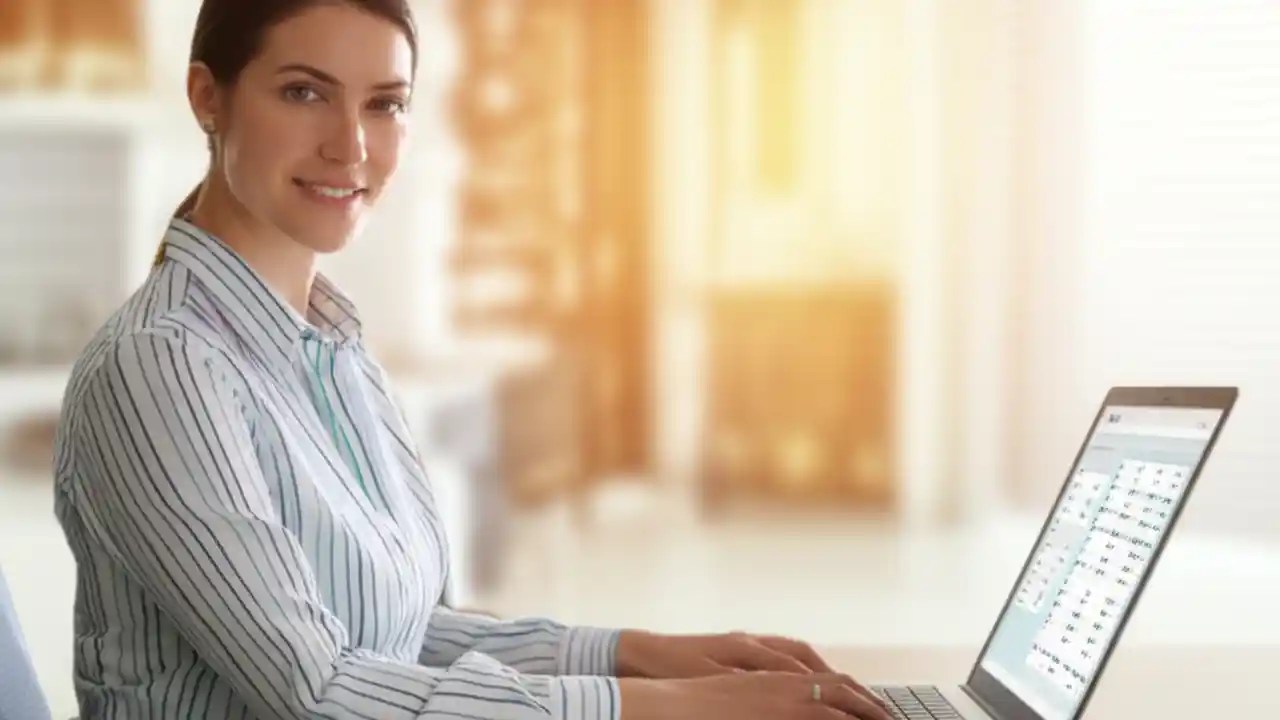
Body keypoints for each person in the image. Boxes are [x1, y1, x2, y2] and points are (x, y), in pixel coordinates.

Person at [51, 1, 892, 718]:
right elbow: (322, 692)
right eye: (305, 92)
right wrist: (667, 709)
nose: (351, 146)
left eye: (385, 104)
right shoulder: (161, 369)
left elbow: (403, 634)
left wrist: (642, 655)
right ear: (209, 97)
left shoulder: (331, 349)